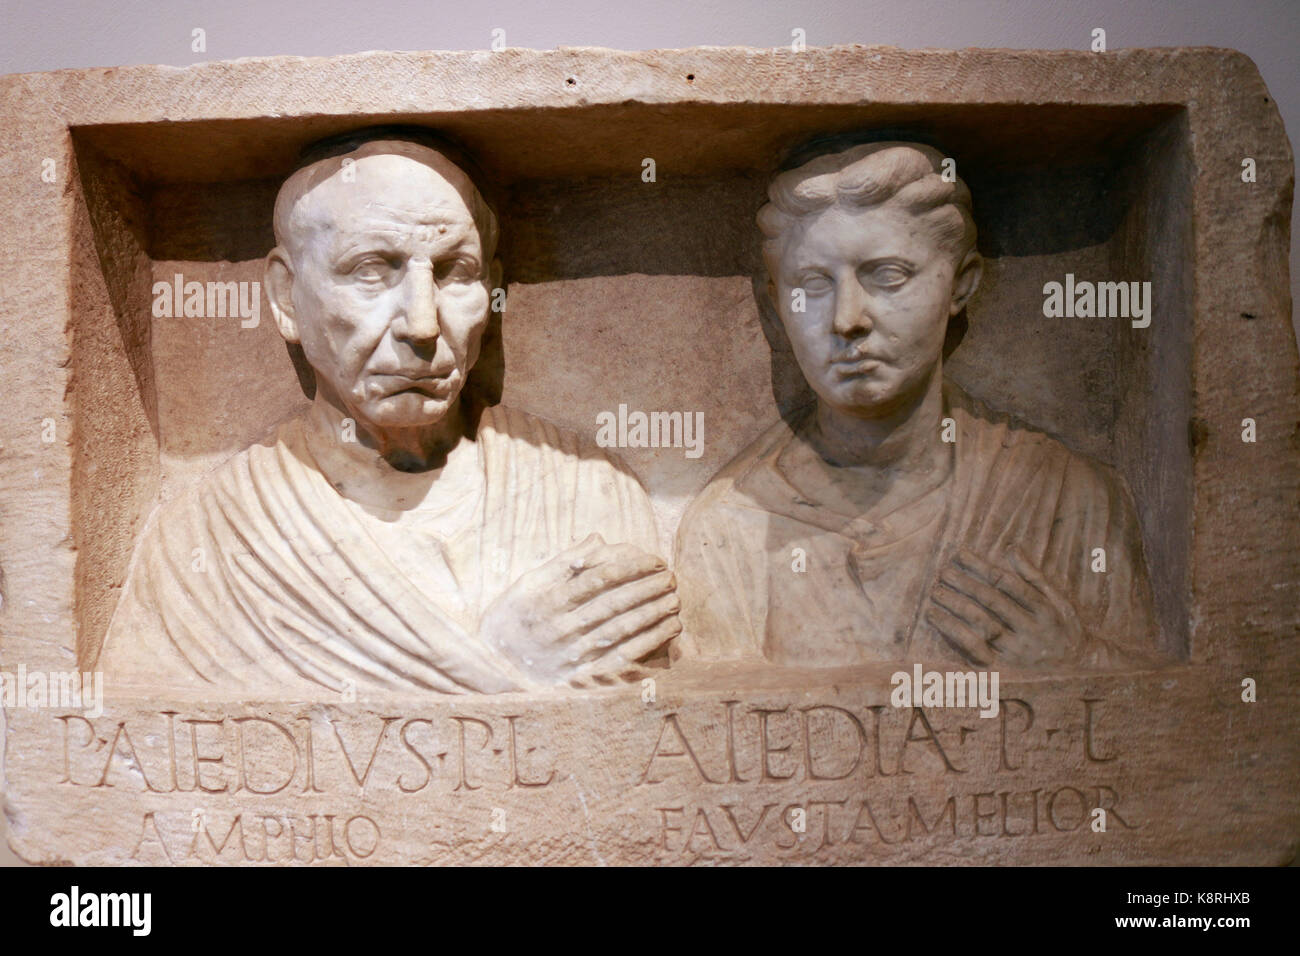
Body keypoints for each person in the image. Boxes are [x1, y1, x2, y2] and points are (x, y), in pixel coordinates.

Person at [99, 128, 679, 695]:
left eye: (455, 272)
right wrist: (510, 664)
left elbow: (651, 747)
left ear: (492, 291)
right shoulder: (209, 545)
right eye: (372, 270)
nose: (422, 325)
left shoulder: (590, 496)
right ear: (286, 298)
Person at [673, 139, 1162, 670]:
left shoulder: (1063, 500)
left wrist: (1081, 661)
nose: (847, 320)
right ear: (776, 303)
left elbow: (1179, 727)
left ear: (961, 285)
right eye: (813, 285)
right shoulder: (729, 527)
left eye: (887, 276)